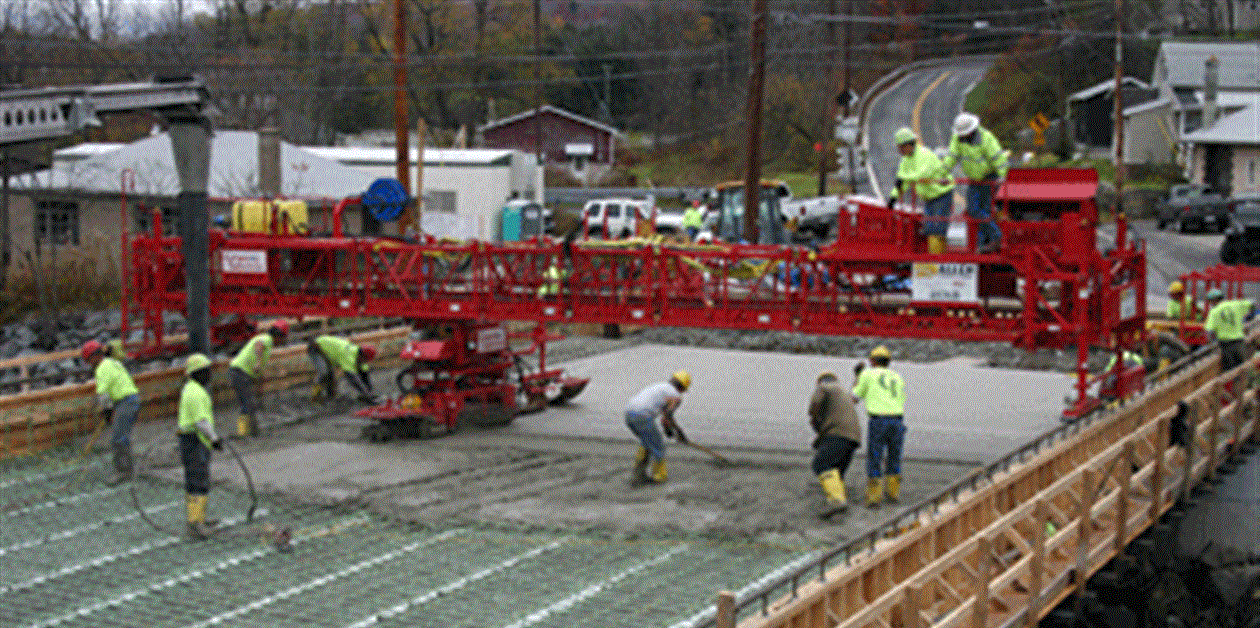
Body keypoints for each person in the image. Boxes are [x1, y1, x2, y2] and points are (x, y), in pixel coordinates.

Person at [940, 112, 1008, 253]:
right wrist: (942, 174)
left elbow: (999, 159)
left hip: (990, 179)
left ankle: (994, 238)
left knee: (985, 210)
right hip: (974, 180)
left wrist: (1002, 177)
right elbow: (951, 158)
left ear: (971, 131)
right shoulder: (958, 139)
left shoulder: (986, 138)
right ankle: (984, 243)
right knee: (974, 210)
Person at [852, 345, 906, 507]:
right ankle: (893, 493)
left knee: (875, 456)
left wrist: (858, 376)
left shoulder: (867, 374)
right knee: (894, 456)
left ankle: (875, 497)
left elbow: (854, 397)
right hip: (897, 420)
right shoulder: (897, 376)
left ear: (872, 361)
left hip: (879, 420)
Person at [82, 339, 141, 486]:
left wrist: (106, 411)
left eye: (88, 360)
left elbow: (103, 394)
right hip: (131, 400)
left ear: (94, 357)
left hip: (125, 402)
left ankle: (124, 472)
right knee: (122, 436)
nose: (89, 364)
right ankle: (128, 468)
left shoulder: (102, 368)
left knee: (118, 438)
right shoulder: (113, 362)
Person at [888, 127, 954, 255]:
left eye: (901, 147)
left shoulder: (924, 154)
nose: (899, 150)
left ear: (908, 144)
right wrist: (893, 198)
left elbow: (921, 175)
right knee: (930, 229)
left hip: (941, 194)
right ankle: (935, 257)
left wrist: (903, 179)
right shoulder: (906, 160)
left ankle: (936, 260)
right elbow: (902, 181)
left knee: (936, 229)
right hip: (929, 198)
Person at [179, 353, 221, 540]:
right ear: (197, 373)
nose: (209, 375)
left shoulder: (191, 389)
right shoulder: (195, 393)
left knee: (197, 478)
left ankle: (198, 519)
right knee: (198, 479)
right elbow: (201, 422)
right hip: (194, 441)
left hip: (192, 440)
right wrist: (214, 438)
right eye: (205, 371)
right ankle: (195, 524)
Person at [808, 371, 862, 517]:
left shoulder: (825, 387)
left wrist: (813, 416)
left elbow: (815, 405)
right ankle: (840, 498)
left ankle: (837, 501)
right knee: (836, 471)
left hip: (838, 434)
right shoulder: (843, 394)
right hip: (854, 437)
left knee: (821, 464)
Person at [625, 370, 691, 485]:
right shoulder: (676, 396)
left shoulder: (660, 387)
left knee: (647, 442)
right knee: (658, 446)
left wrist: (671, 430)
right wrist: (676, 433)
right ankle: (659, 477)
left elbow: (665, 418)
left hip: (629, 415)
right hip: (642, 417)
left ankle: (638, 474)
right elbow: (668, 416)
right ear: (682, 388)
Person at [228, 320, 289, 437]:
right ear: (278, 336)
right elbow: (259, 345)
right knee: (247, 404)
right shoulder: (266, 339)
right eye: (283, 338)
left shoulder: (269, 344)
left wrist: (260, 387)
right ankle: (244, 433)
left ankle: (250, 431)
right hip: (239, 372)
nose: (282, 342)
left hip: (240, 373)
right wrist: (258, 361)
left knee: (248, 403)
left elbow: (260, 372)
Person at [308, 334, 378, 403]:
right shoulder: (348, 356)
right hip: (316, 347)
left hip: (329, 350)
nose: (365, 362)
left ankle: (330, 397)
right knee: (324, 373)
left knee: (331, 376)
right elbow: (352, 379)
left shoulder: (359, 356)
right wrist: (366, 394)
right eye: (365, 360)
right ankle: (315, 397)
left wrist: (370, 392)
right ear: (363, 357)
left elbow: (365, 375)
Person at [1203, 288, 1255, 372]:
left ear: (1214, 300)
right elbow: (1252, 303)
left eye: (1210, 301)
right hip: (1239, 343)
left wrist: (1211, 344)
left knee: (1229, 372)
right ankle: (1242, 384)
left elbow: (1209, 331)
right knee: (1241, 369)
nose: (1210, 303)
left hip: (1226, 345)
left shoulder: (1214, 311)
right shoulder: (1236, 304)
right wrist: (1249, 317)